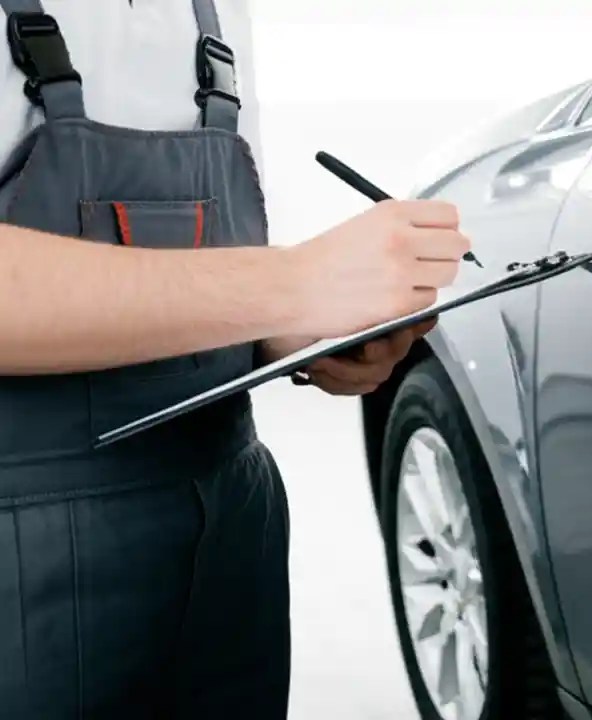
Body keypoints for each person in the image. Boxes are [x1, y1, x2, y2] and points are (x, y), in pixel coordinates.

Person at [0, 1, 468, 717]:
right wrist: (292, 285)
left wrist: (302, 334)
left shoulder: (211, 12)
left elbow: (199, 281)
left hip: (230, 519)